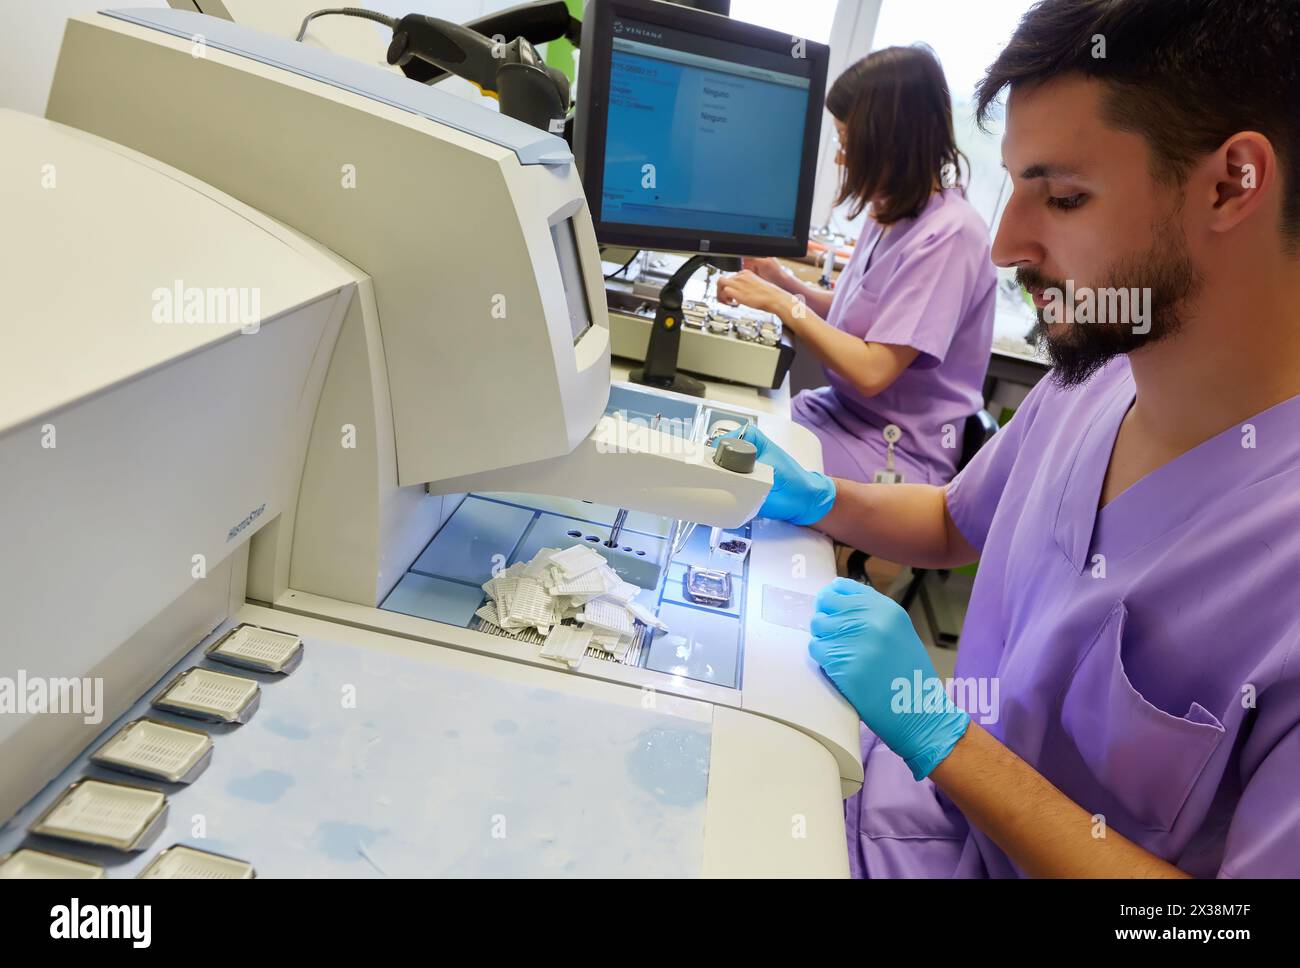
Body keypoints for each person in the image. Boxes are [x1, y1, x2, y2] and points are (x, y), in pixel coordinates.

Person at [736, 0, 1300, 876]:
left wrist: (947, 739)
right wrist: (820, 500)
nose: (1002, 247)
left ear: (1233, 182)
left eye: (1064, 196)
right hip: (887, 818)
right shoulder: (1098, 377)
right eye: (1013, 188)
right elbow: (957, 523)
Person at [716, 45, 995, 487]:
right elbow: (855, 319)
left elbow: (871, 370)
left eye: (847, 143)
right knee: (723, 428)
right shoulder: (890, 213)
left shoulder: (951, 235)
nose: (840, 158)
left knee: (737, 465)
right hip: (839, 415)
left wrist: (784, 306)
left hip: (896, 450)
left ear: (888, 144)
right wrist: (783, 282)